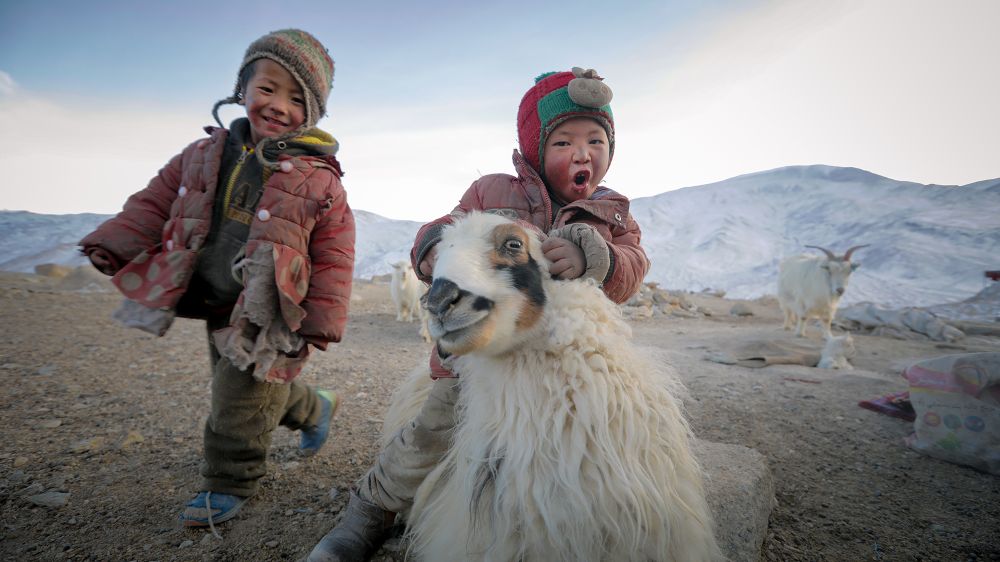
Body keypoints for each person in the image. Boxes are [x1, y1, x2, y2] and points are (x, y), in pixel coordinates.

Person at [308, 67, 649, 561]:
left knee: (607, 435)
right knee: (434, 428)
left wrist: (601, 259)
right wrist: (432, 251)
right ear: (535, 148)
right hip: (482, 359)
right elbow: (447, 230)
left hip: (570, 365)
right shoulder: (493, 193)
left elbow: (633, 267)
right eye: (564, 142)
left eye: (596, 140)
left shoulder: (611, 214)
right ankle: (369, 512)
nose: (582, 153)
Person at [78, 29, 355, 528]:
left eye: (296, 99)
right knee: (249, 385)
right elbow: (154, 203)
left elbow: (336, 252)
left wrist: (324, 315)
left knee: (240, 397)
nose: (278, 106)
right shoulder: (201, 155)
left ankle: (230, 479)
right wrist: (115, 241)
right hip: (215, 296)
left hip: (272, 308)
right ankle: (314, 408)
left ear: (311, 113)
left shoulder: (318, 178)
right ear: (242, 88)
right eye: (267, 88)